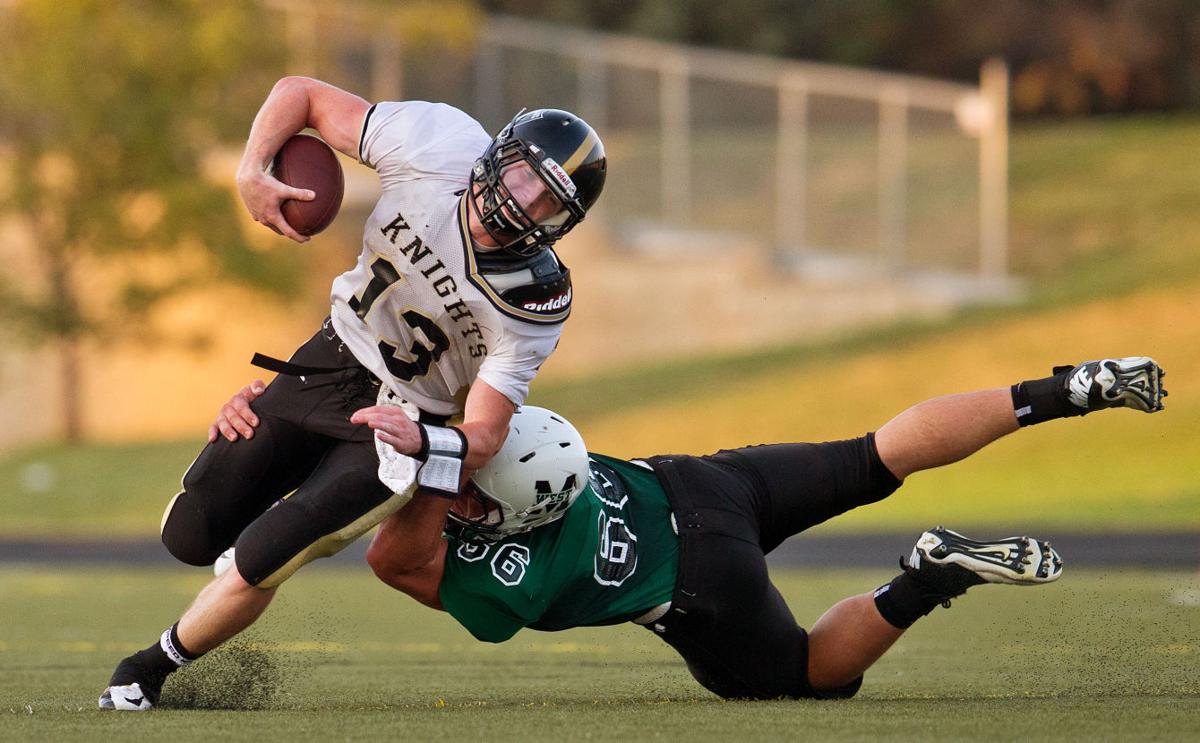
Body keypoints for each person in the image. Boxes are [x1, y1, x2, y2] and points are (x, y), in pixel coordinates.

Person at [218, 356, 1163, 700]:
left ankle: (923, 576)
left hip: (702, 586)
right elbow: (494, 431)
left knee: (805, 677)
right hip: (708, 482)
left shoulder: (515, 574)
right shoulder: (542, 459)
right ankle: (1060, 391)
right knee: (878, 454)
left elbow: (393, 556)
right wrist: (448, 442)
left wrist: (429, 459)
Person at [99, 76, 606, 711]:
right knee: (190, 535)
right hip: (331, 357)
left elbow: (485, 436)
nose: (520, 204)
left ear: (562, 225)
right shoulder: (438, 143)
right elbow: (299, 95)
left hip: (402, 420)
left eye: (545, 203)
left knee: (268, 554)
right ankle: (244, 532)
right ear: (496, 152)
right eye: (523, 178)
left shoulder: (533, 300)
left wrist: (424, 440)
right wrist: (252, 169)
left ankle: (148, 669)